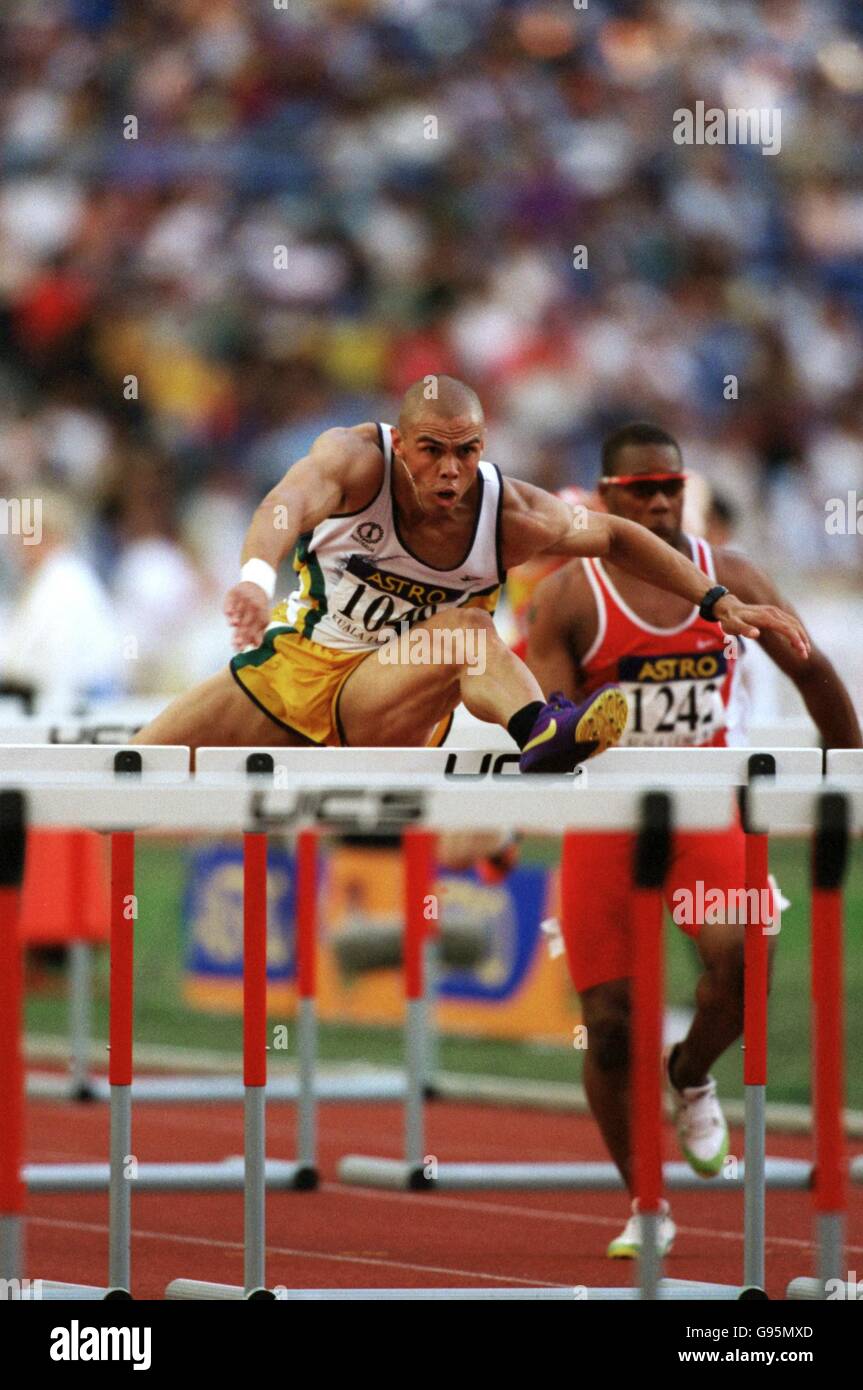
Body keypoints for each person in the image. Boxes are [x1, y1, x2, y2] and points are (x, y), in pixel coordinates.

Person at [526, 421, 861, 1258]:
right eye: (640, 490)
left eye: (671, 486)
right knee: (607, 1024)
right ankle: (645, 1203)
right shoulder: (569, 597)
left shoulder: (730, 576)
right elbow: (554, 729)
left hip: (707, 805)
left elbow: (811, 669)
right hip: (607, 815)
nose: (660, 500)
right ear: (606, 501)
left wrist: (852, 773)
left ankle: (688, 1073)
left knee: (744, 965)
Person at [132, 379, 808, 772]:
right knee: (125, 777)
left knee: (466, 629)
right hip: (291, 668)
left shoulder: (507, 511)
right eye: (431, 452)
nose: (450, 471)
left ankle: (541, 732)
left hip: (389, 701)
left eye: (466, 452)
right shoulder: (353, 461)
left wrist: (714, 599)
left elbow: (616, 536)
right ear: (401, 445)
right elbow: (284, 504)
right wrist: (254, 575)